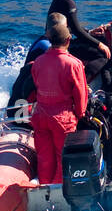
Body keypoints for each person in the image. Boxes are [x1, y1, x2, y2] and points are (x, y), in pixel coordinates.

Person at [30, 15, 89, 183]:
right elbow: (80, 93)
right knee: (63, 158)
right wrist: (80, 114)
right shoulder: (73, 64)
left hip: (40, 116)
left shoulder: (38, 62)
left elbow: (37, 84)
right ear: (69, 40)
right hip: (63, 118)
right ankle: (58, 193)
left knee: (44, 158)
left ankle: (44, 186)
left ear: (49, 38)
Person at [48, 0, 110, 81]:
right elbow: (76, 30)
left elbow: (71, 26)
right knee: (102, 54)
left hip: (58, 41)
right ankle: (82, 83)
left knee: (99, 39)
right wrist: (99, 44)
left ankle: (105, 80)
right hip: (62, 45)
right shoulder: (68, 2)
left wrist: (90, 32)